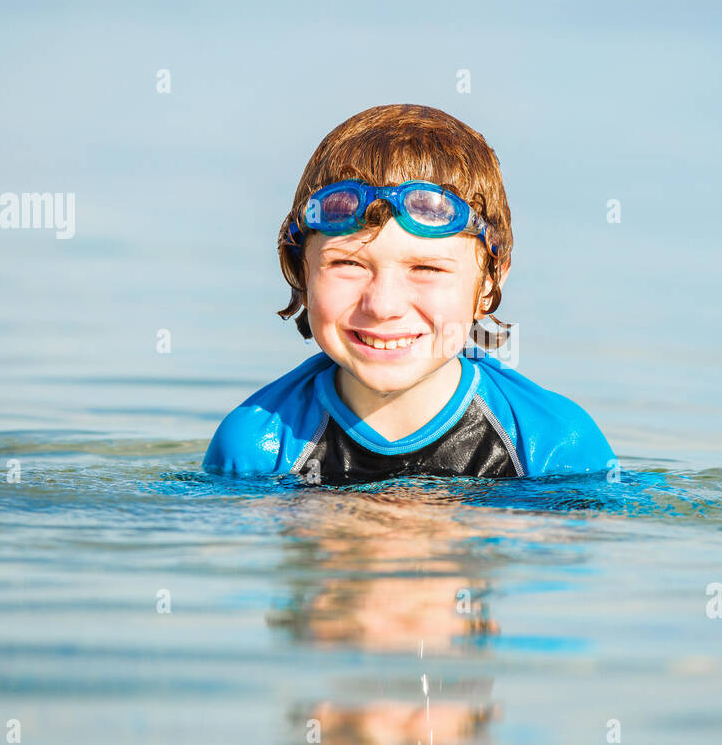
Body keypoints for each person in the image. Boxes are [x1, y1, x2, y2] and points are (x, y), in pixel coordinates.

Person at [203, 104, 615, 484]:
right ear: (299, 271)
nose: (383, 306)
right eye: (348, 264)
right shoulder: (256, 449)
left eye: (426, 269)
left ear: (489, 283)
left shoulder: (555, 449)